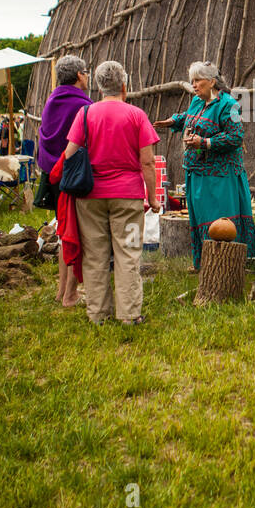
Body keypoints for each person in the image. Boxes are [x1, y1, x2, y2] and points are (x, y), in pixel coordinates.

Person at [62, 59, 160, 325]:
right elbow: (148, 162)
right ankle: (128, 315)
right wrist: (152, 197)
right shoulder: (136, 115)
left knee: (95, 256)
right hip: (127, 198)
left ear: (98, 86)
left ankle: (97, 315)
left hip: (90, 197)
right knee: (127, 254)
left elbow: (69, 154)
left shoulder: (84, 114)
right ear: (124, 86)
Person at [154, 61, 255, 270]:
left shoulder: (230, 105)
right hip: (197, 173)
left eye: (198, 80)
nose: (194, 85)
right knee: (201, 218)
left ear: (211, 82)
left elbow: (236, 137)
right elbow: (189, 117)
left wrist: (205, 143)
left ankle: (227, 265)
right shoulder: (197, 101)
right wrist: (174, 121)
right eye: (192, 81)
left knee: (220, 220)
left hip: (220, 176)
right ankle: (205, 263)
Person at [36, 54, 92, 307]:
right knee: (75, 235)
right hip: (74, 176)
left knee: (63, 232)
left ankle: (61, 290)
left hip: (54, 174)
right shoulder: (80, 104)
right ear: (79, 75)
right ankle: (70, 293)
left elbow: (48, 138)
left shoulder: (52, 100)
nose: (88, 76)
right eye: (86, 72)